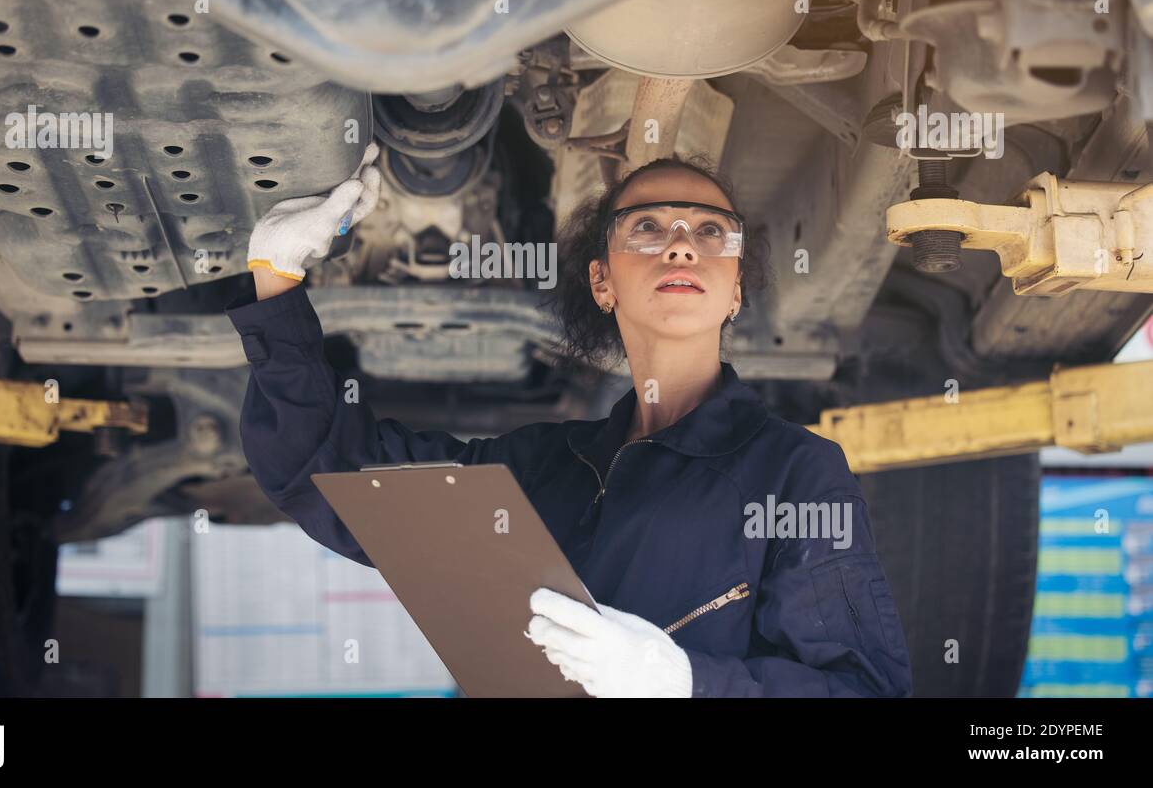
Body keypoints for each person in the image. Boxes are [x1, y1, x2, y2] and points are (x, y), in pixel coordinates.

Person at [225, 140, 913, 698]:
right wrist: (276, 275)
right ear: (601, 280)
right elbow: (330, 475)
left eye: (711, 232)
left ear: (735, 289)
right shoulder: (540, 471)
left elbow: (866, 690)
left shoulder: (795, 474)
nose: (681, 245)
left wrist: (683, 684)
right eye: (647, 227)